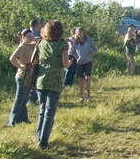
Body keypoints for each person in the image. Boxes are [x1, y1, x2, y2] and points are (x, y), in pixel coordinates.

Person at [34, 20, 73, 149]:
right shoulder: (62, 45)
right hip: (55, 80)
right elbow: (65, 64)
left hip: (41, 79)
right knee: (49, 113)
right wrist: (71, 58)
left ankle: (38, 136)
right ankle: (43, 143)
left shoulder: (41, 43)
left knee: (42, 110)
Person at [8, 29, 39, 125]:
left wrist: (33, 38)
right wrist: (20, 66)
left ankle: (23, 118)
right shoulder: (22, 46)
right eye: (28, 37)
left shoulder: (32, 45)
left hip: (30, 75)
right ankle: (13, 121)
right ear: (23, 38)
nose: (30, 38)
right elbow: (12, 58)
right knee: (19, 98)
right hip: (22, 76)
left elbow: (39, 40)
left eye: (31, 36)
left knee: (25, 98)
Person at [74, 27, 97, 102]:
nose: (79, 33)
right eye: (78, 32)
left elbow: (95, 50)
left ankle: (88, 96)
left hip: (88, 62)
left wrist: (90, 54)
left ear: (84, 32)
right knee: (80, 79)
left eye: (81, 31)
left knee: (88, 78)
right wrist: (76, 57)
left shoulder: (89, 40)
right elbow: (71, 51)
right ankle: (81, 96)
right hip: (79, 62)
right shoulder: (75, 41)